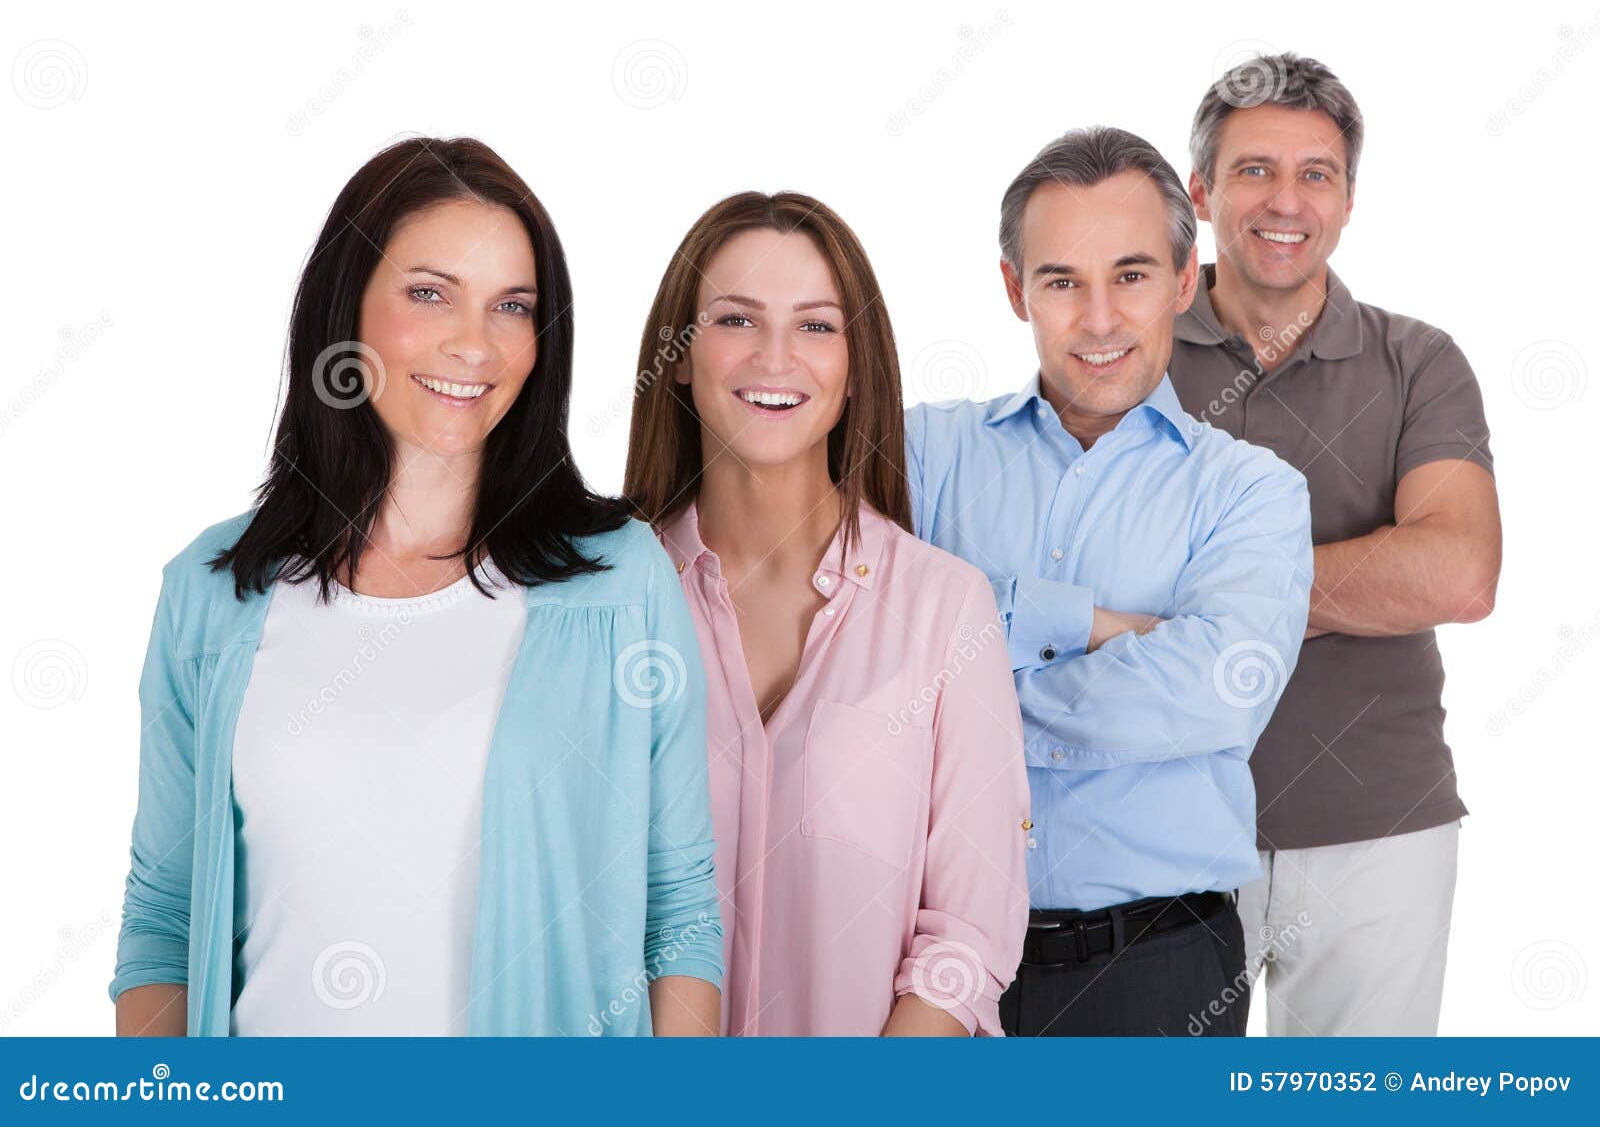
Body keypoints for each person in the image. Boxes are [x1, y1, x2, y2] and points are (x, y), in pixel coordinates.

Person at [110, 137, 722, 1037]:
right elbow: (165, 916)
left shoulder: (621, 582)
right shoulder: (210, 593)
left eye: (512, 305)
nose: (474, 343)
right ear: (346, 306)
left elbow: (680, 913)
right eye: (430, 292)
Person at [906, 126, 1312, 1036]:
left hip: (1156, 972)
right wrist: (1097, 625)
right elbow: (853, 645)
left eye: (1130, 276)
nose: (1098, 321)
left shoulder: (1251, 491)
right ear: (1015, 288)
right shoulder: (923, 454)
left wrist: (963, 691)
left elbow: (1218, 689)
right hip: (930, 969)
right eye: (1062, 282)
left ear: (1183, 280)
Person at [625, 191, 1030, 1036]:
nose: (776, 357)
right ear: (679, 355)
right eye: (737, 319)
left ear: (855, 368)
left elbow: (965, 942)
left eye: (815, 325)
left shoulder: (947, 608)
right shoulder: (611, 603)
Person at [1169, 53, 1501, 1035]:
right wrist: (1357, 577)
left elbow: (1459, 571)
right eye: (1254, 170)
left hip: (1380, 830)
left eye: (1315, 173)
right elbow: (1076, 569)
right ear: (1200, 192)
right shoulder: (1127, 350)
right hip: (1159, 824)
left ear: (1348, 199)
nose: (1287, 201)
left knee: (1360, 1100)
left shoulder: (1419, 361)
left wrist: (1213, 595)